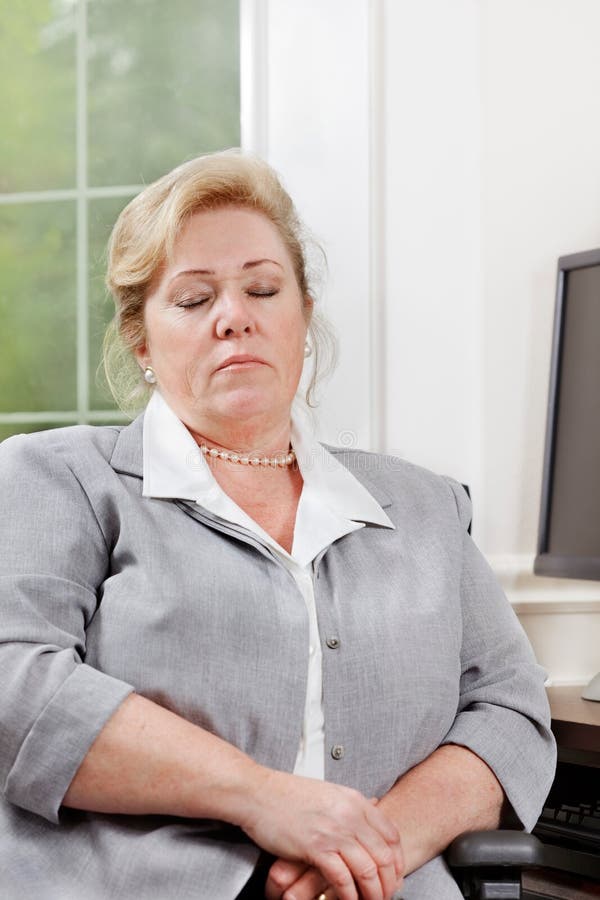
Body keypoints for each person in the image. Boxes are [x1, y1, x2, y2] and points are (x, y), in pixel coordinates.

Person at [0, 150, 555, 900]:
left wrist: (367, 850)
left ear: (303, 320)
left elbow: (510, 710)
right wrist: (264, 798)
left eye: (263, 288)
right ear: (142, 342)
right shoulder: (61, 477)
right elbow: (15, 684)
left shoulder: (426, 506)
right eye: (194, 300)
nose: (235, 316)